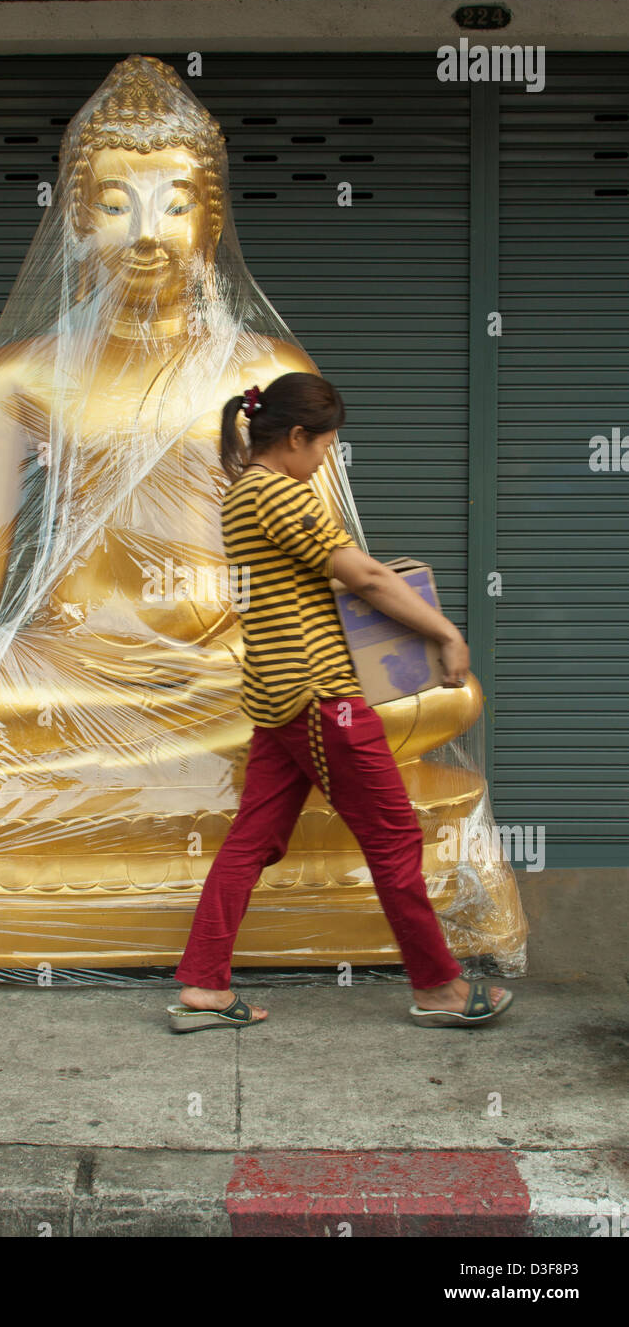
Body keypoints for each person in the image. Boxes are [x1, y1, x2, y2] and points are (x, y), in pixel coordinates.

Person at [168, 372, 515, 1032]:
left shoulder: (244, 490)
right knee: (393, 835)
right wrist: (444, 632)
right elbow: (367, 577)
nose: (327, 458)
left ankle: (204, 987)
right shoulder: (280, 494)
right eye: (325, 445)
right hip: (320, 697)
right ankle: (440, 986)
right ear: (296, 437)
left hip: (277, 695)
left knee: (252, 839)